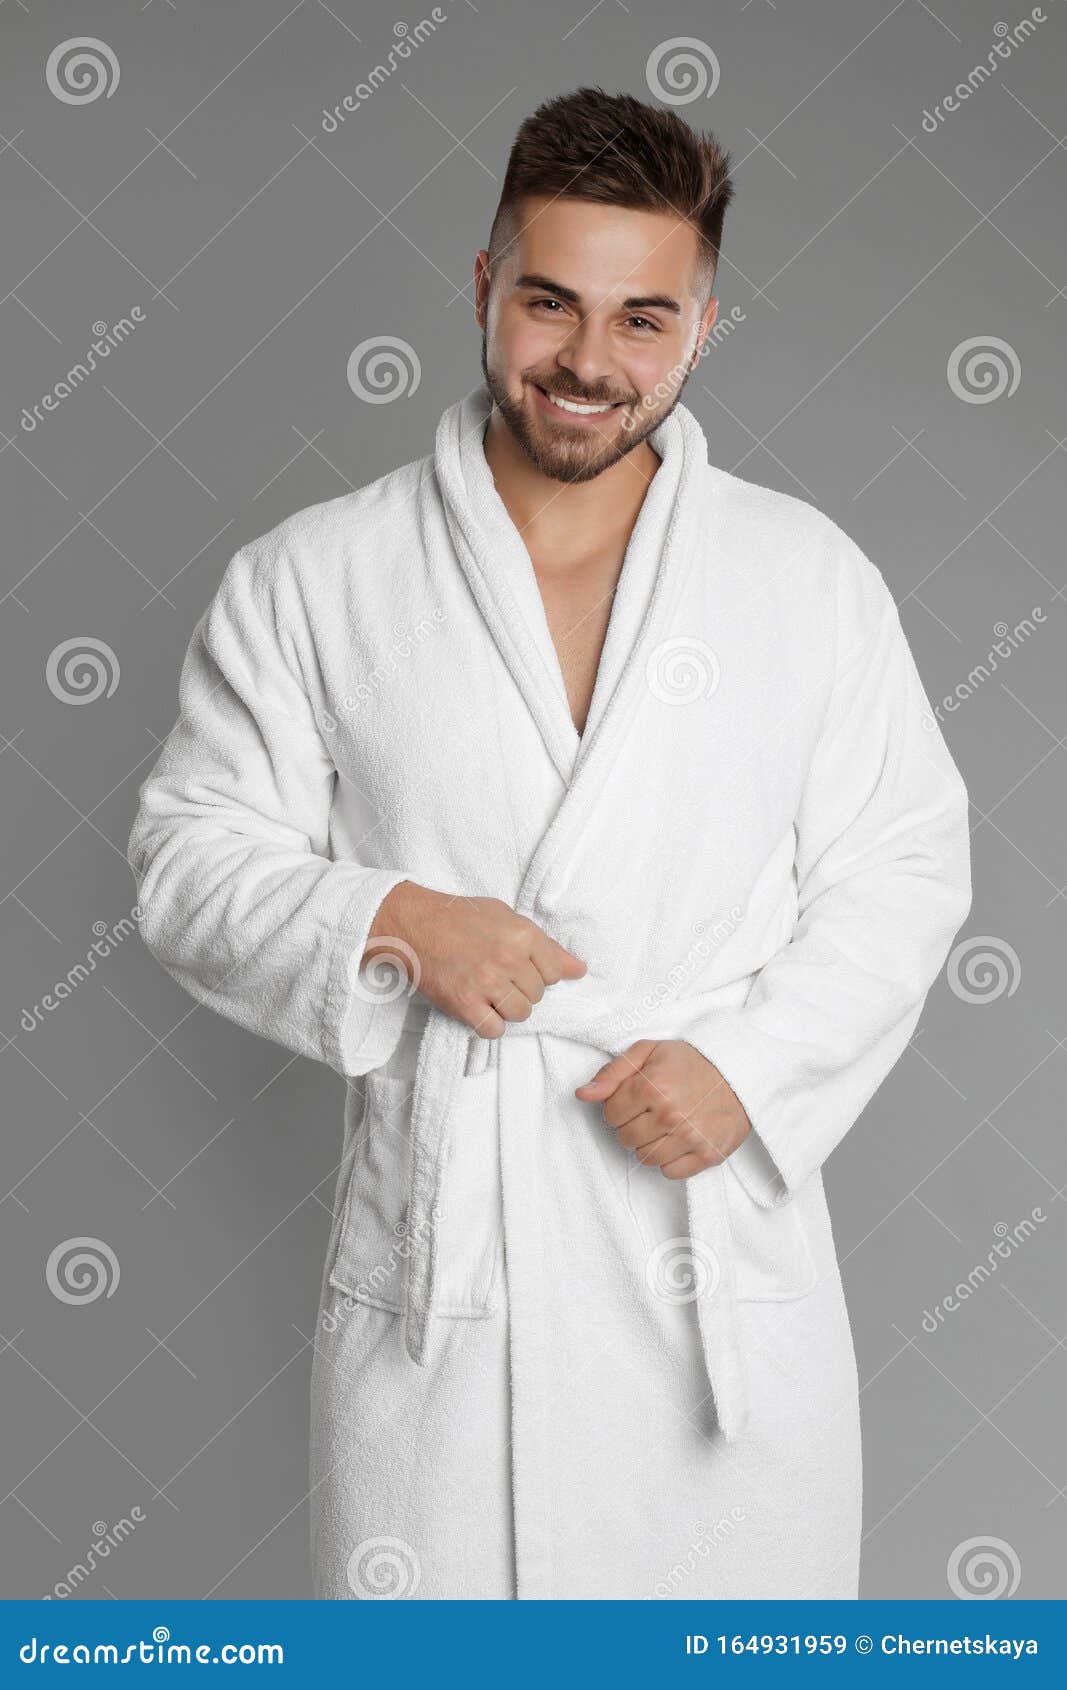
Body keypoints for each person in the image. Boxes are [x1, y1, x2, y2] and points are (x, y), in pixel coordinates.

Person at [126, 87, 972, 1600]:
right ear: (481, 288)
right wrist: (394, 917)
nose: (590, 361)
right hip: (447, 1286)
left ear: (705, 325)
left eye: (644, 318)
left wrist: (752, 1072)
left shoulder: (806, 581)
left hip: (711, 1264)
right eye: (550, 303)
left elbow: (904, 866)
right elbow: (189, 859)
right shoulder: (319, 576)